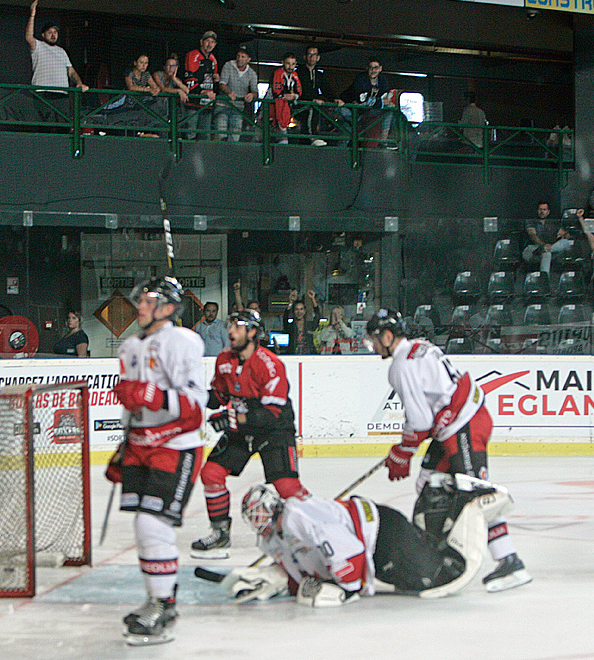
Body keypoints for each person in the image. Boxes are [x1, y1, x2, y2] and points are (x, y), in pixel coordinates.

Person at [364, 307, 532, 592]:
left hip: (465, 424)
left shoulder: (400, 365)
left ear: (388, 336)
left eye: (374, 339)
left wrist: (403, 452)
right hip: (457, 424)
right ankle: (436, 550)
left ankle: (510, 561)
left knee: (476, 493)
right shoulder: (420, 347)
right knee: (429, 482)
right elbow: (433, 411)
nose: (373, 346)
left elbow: (420, 421)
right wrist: (405, 449)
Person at [109, 277, 207, 645]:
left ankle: (164, 606)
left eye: (149, 301)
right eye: (141, 300)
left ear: (168, 307)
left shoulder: (182, 341)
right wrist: (125, 443)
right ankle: (156, 599)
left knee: (154, 524)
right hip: (139, 446)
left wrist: (151, 394)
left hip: (175, 446)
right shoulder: (129, 346)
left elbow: (195, 406)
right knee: (143, 527)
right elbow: (134, 404)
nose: (140, 306)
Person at [225, 481, 511, 606]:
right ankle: (438, 521)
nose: (256, 520)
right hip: (376, 550)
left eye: (258, 511)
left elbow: (346, 549)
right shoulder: (273, 540)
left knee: (443, 577)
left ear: (271, 505)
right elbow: (304, 571)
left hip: (383, 533)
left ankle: (472, 504)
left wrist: (347, 589)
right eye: (251, 516)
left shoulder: (294, 515)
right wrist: (275, 581)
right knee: (416, 583)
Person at [190, 309, 308, 560]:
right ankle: (220, 533)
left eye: (237, 326)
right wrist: (192, 394)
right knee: (211, 473)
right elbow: (219, 396)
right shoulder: (224, 359)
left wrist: (232, 418)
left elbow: (272, 413)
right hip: (242, 431)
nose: (230, 331)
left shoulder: (270, 364)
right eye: (230, 325)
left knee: (287, 486)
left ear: (252, 332)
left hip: (274, 431)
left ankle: (315, 524)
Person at [25, 0, 88, 124]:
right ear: (43, 35)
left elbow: (71, 71)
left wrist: (79, 83)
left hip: (61, 93)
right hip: (42, 92)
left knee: (62, 124)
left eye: (55, 32)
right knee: (44, 123)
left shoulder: (62, 51)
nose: (53, 35)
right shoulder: (38, 46)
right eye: (50, 32)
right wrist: (32, 15)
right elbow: (29, 37)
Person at [342, 57, 394, 144]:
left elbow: (385, 95)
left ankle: (383, 140)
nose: (373, 70)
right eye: (371, 67)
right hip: (350, 111)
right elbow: (361, 99)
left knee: (390, 108)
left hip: (365, 112)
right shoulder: (361, 78)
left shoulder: (382, 80)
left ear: (380, 69)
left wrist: (383, 101)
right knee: (346, 136)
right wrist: (380, 102)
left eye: (376, 68)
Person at [215, 45, 258, 143]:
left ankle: (230, 152)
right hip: (222, 106)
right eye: (238, 56)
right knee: (220, 134)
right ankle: (216, 151)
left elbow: (255, 92)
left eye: (243, 56)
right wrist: (229, 93)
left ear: (248, 59)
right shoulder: (228, 65)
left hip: (238, 109)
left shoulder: (252, 73)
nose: (239, 59)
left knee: (235, 137)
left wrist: (251, 95)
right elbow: (222, 84)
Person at [301, 44, 342, 146]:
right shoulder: (299, 72)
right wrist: (312, 99)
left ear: (318, 57)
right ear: (305, 57)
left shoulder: (319, 74)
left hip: (314, 105)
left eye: (314, 55)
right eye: (309, 54)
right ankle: (313, 137)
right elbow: (301, 90)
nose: (312, 57)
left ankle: (313, 138)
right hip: (302, 103)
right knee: (310, 112)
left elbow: (326, 89)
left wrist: (335, 99)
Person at [181, 30, 219, 140]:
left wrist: (216, 80)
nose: (209, 44)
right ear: (201, 42)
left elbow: (214, 80)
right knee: (190, 134)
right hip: (193, 102)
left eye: (212, 42)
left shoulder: (213, 59)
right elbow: (189, 79)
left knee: (205, 136)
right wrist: (202, 92)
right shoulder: (193, 55)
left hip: (207, 104)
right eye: (207, 41)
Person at [521, 201, 574, 278]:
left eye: (544, 209)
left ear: (548, 212)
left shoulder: (552, 223)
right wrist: (543, 245)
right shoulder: (531, 221)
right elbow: (532, 235)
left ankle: (544, 279)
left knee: (565, 242)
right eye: (540, 209)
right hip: (532, 250)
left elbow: (567, 235)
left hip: (548, 249)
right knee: (547, 254)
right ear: (537, 210)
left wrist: (562, 236)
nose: (542, 212)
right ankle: (544, 279)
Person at [269, 51, 301, 145]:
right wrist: (287, 95)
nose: (290, 66)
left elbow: (299, 90)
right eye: (288, 63)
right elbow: (276, 91)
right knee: (263, 128)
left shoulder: (295, 74)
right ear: (283, 62)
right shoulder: (277, 73)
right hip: (271, 105)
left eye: (293, 64)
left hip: (287, 106)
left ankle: (282, 140)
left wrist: (294, 96)